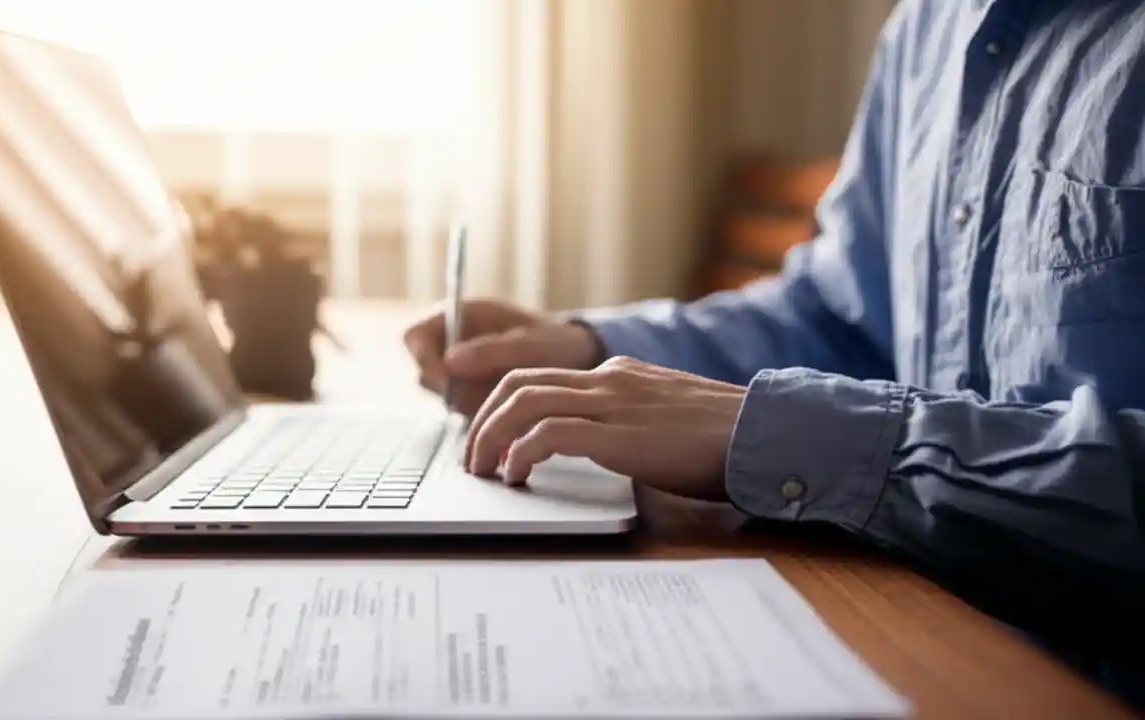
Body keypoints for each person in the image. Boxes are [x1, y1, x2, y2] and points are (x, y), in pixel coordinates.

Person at [403, 0, 1145, 708]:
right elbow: (840, 318)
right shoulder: (931, 25)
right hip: (911, 639)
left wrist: (776, 433)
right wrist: (586, 353)